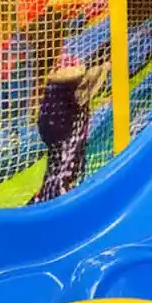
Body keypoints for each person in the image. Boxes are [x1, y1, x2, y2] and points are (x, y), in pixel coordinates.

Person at [30, 59, 108, 205]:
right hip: (63, 188)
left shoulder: (49, 98)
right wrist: (106, 64)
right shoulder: (73, 98)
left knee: (56, 167)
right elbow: (97, 75)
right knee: (62, 173)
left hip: (55, 145)